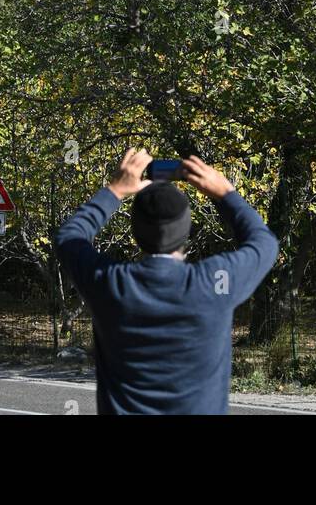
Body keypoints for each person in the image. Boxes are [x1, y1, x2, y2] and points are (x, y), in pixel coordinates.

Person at [56, 147, 279, 415]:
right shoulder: (215, 284)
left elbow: (68, 238)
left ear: (135, 230)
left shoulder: (109, 283)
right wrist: (225, 194)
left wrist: (114, 191)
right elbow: (265, 243)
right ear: (187, 228)